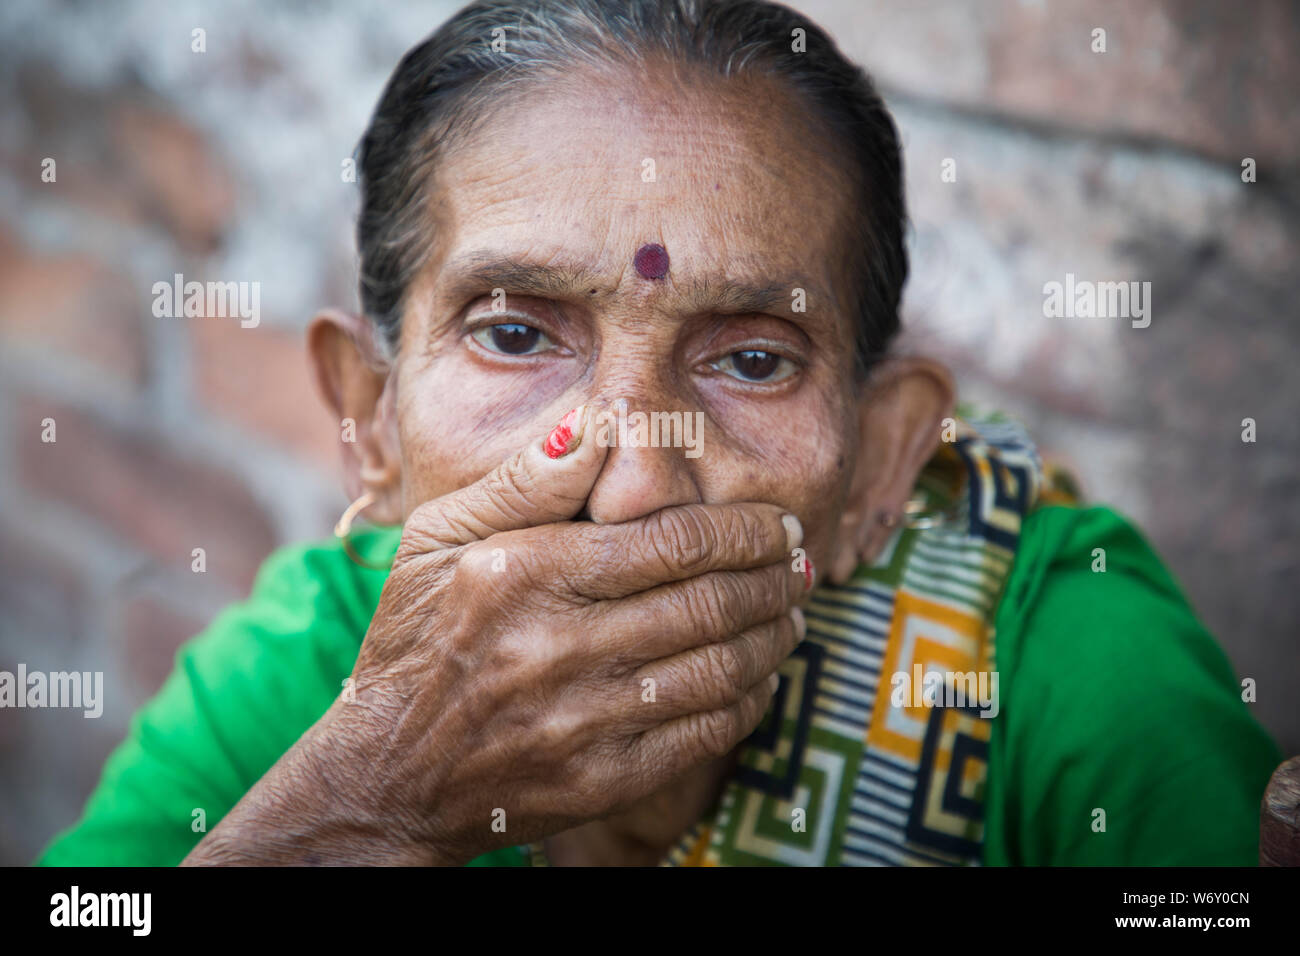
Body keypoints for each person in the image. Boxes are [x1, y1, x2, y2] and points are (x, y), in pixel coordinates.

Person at [37, 0, 1280, 867]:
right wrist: (366, 808)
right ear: (368, 418)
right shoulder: (317, 678)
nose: (629, 486)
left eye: (750, 359)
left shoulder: (1070, 671)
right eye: (516, 334)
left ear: (880, 463)